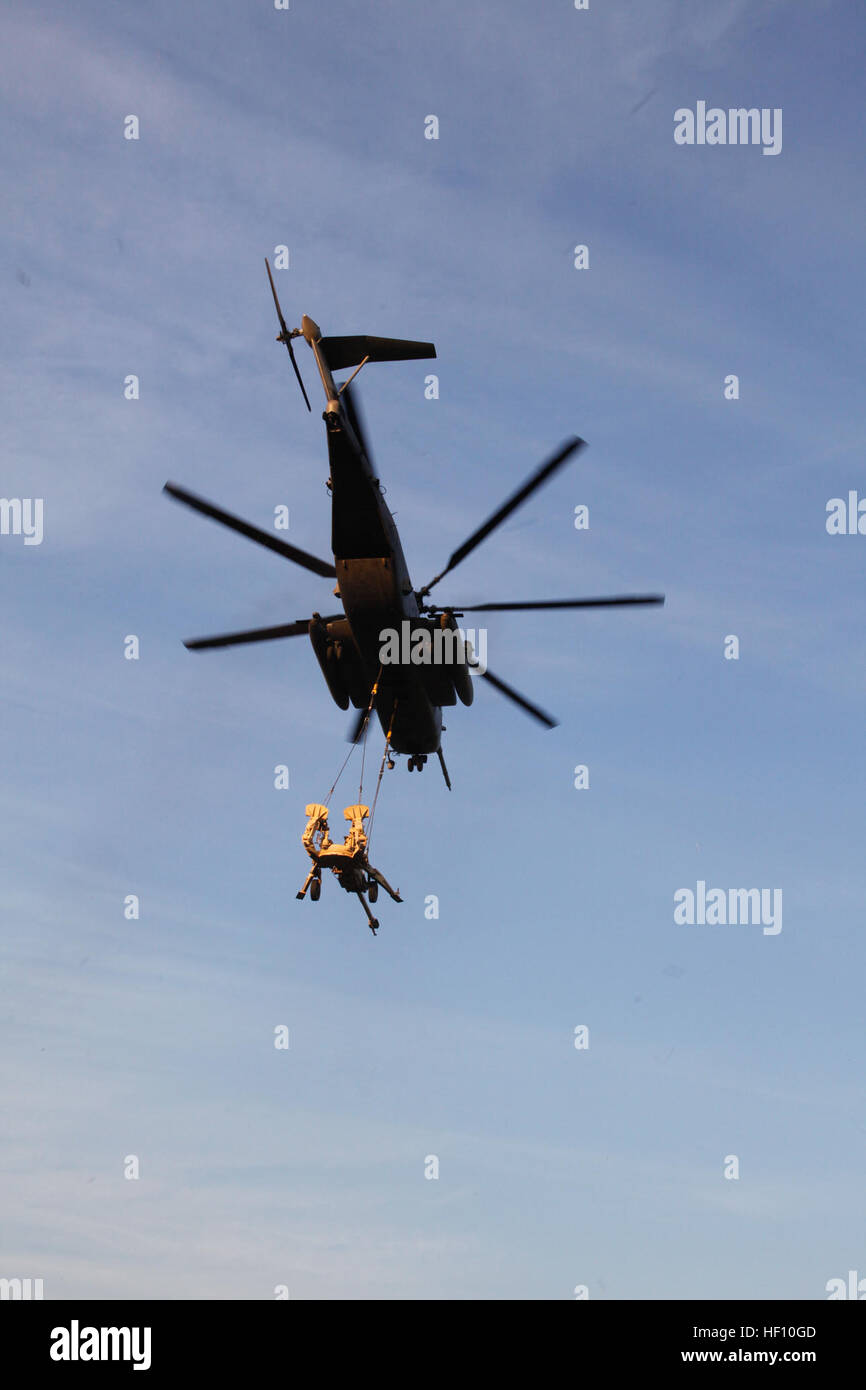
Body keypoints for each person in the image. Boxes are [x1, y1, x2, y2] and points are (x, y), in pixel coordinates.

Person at [297, 803, 401, 933]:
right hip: (347, 858)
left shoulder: (330, 857)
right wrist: (392, 894)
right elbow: (374, 874)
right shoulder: (358, 868)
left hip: (327, 855)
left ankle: (314, 818)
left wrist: (304, 890)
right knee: (360, 846)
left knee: (307, 842)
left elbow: (314, 870)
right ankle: (357, 820)